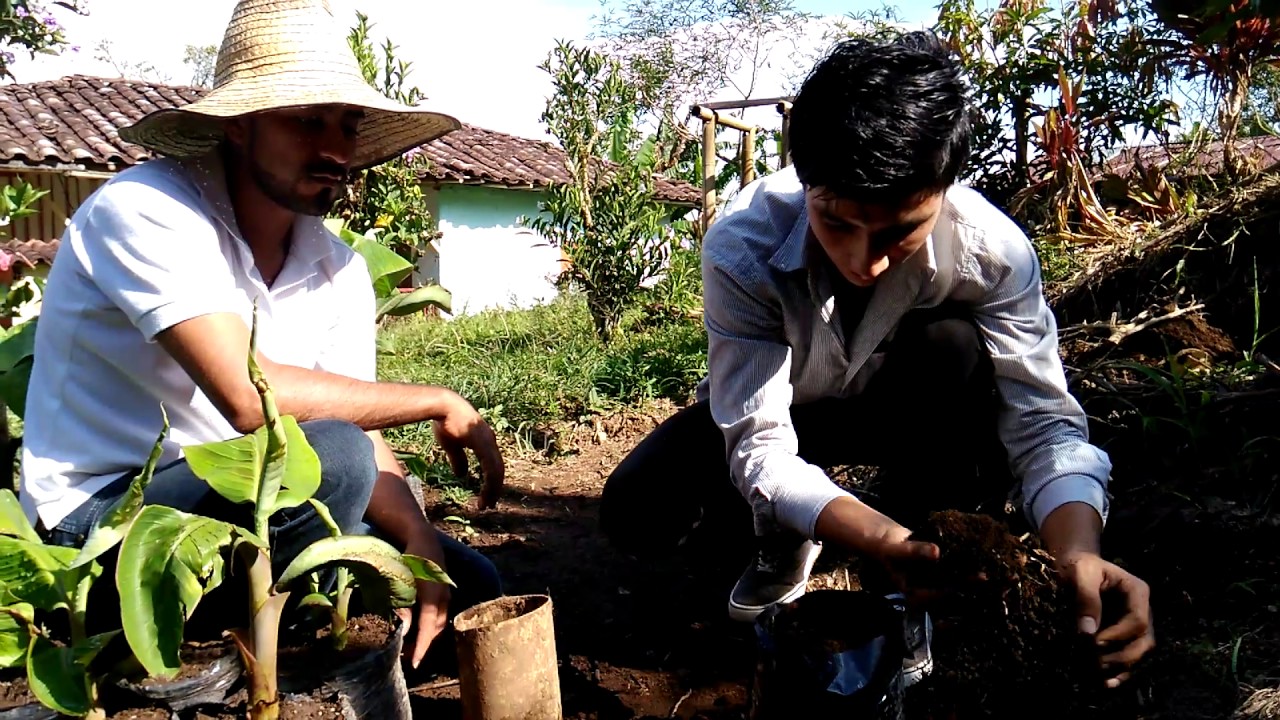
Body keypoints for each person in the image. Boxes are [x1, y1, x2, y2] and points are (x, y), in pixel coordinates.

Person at [600, 31, 1155, 689]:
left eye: (900, 232)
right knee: (636, 509)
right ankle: (789, 536)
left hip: (904, 409)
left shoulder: (991, 251)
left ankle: (926, 531)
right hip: (789, 410)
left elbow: (1042, 423)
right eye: (837, 223)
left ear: (944, 189)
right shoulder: (743, 246)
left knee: (954, 346)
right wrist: (870, 534)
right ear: (804, 179)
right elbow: (759, 443)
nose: (864, 262)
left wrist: (1076, 551)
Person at [18, 0, 504, 670]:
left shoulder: (337, 268)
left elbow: (356, 428)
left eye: (347, 125)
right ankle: (183, 652)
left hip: (257, 506)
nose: (335, 149)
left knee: (469, 585)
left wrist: (419, 538)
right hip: (106, 525)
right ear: (240, 126)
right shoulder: (145, 210)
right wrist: (437, 400)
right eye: (307, 121)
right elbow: (253, 400)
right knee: (334, 461)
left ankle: (279, 625)